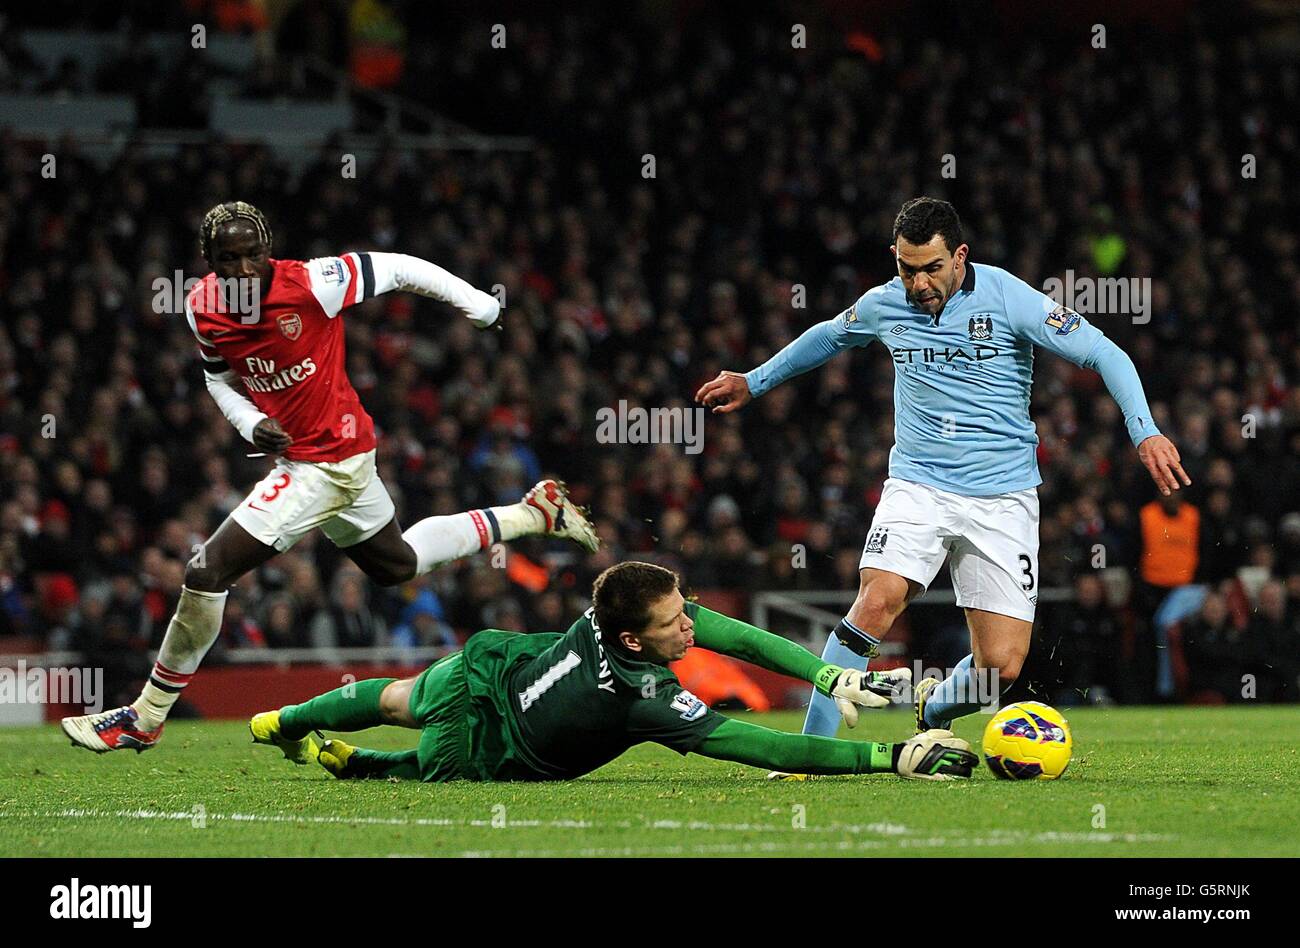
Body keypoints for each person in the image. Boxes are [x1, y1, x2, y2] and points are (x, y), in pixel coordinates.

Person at [62, 201, 599, 754]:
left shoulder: (313, 282)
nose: (244, 269)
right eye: (229, 259)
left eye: (253, 255)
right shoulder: (202, 306)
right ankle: (532, 513)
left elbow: (398, 267)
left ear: (268, 249)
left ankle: (145, 716)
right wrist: (250, 423)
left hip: (325, 463)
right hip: (333, 457)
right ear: (209, 261)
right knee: (397, 564)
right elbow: (218, 380)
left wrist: (478, 303)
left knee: (207, 569)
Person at [695, 197, 1189, 777]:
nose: (919, 283)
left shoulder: (1009, 297)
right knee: (876, 601)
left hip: (1003, 498)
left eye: (931, 268)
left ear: (960, 256)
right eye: (907, 268)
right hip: (918, 487)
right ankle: (812, 756)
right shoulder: (885, 304)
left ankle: (937, 704)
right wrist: (754, 381)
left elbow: (1106, 352)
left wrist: (1145, 432)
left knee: (999, 668)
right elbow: (827, 338)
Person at [250, 562, 978, 783]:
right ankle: (363, 767)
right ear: (634, 637)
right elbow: (763, 747)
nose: (691, 628)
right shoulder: (642, 698)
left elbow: (738, 637)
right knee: (418, 761)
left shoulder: (619, 612)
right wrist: (888, 755)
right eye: (676, 624)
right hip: (489, 747)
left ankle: (286, 722)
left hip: (493, 668)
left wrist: (825, 677)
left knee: (400, 696)